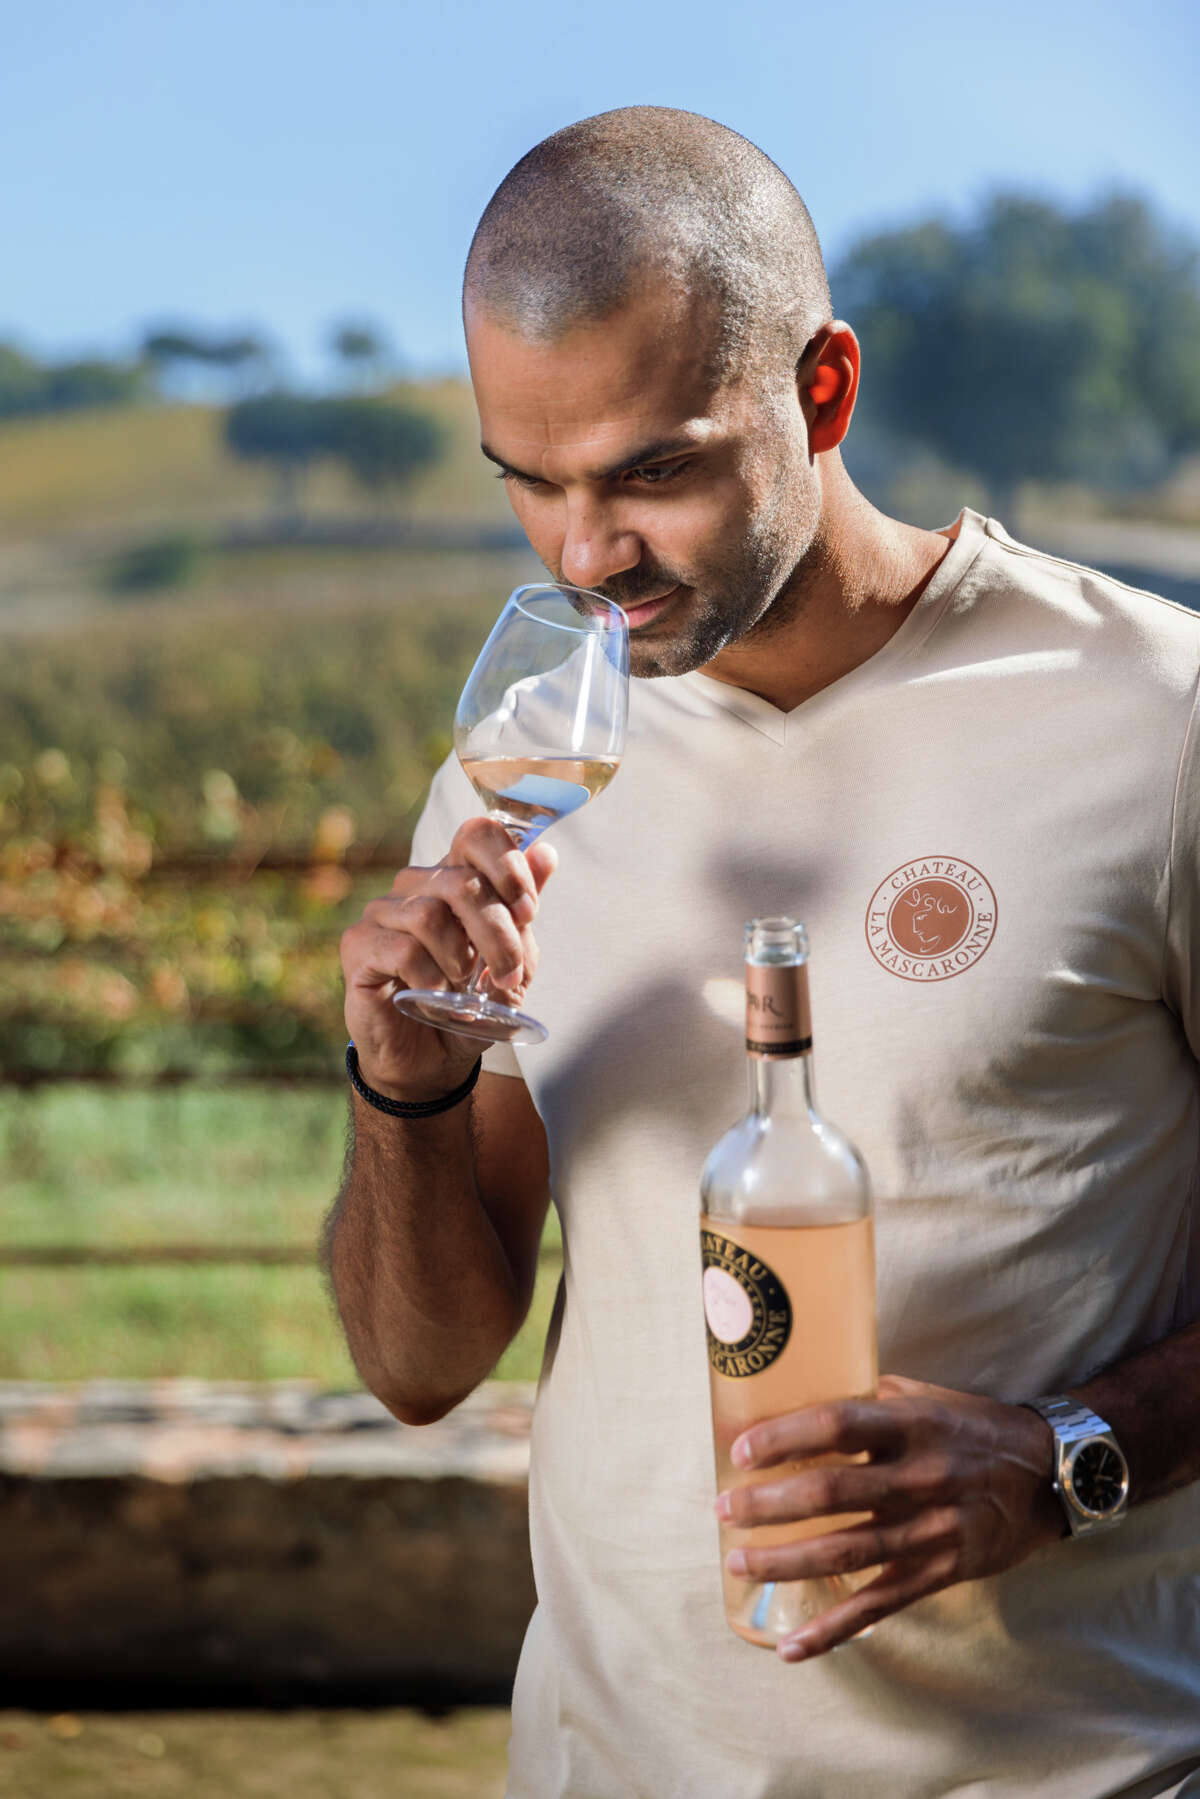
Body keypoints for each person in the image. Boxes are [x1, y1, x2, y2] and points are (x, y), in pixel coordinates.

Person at [324, 107, 1200, 1797]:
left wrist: (1065, 1456)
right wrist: (404, 1094)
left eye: (651, 472)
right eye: (533, 484)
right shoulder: (514, 778)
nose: (588, 558)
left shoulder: (1156, 724)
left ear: (824, 393)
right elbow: (421, 1366)